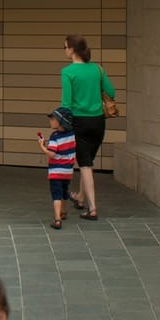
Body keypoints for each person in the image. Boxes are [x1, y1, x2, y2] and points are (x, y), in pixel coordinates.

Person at [60, 34, 115, 221]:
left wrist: (61, 125)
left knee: (84, 165)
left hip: (79, 122)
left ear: (72, 49)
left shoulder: (67, 72)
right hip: (99, 121)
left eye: (65, 47)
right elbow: (111, 92)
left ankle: (92, 209)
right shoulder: (98, 69)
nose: (64, 50)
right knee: (88, 161)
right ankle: (81, 198)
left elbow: (66, 103)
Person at [36, 107, 77, 228]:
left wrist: (42, 146)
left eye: (53, 119)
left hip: (56, 171)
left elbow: (52, 153)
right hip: (68, 171)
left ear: (60, 122)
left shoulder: (55, 136)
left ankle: (57, 219)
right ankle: (63, 212)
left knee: (56, 194)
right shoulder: (72, 134)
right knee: (64, 191)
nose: (50, 121)